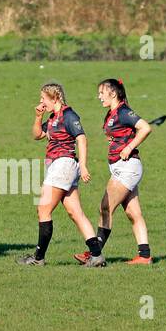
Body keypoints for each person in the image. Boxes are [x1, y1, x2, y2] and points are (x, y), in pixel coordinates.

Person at [21, 83, 104, 266]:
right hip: (61, 167)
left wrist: (83, 165)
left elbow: (81, 138)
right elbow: (37, 135)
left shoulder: (68, 115)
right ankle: (97, 256)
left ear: (55, 98)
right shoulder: (52, 118)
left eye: (44, 98)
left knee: (43, 209)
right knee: (75, 213)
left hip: (63, 164)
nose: (41, 102)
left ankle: (38, 258)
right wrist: (37, 116)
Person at [76, 78, 154, 264]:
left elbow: (145, 127)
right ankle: (144, 256)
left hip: (127, 168)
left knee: (106, 207)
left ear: (113, 93)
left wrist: (129, 147)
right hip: (123, 168)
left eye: (102, 93)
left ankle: (94, 253)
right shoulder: (112, 113)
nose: (99, 97)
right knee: (133, 213)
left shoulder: (123, 112)